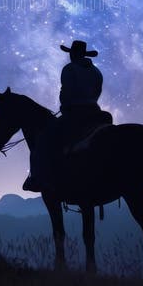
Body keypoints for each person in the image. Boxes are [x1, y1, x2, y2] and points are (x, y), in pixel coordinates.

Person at [23, 40, 112, 192]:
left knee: (44, 139)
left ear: (73, 54)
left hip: (75, 113)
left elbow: (66, 93)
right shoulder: (97, 72)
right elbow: (97, 91)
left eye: (71, 53)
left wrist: (65, 106)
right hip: (95, 113)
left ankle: (39, 179)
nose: (70, 55)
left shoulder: (69, 69)